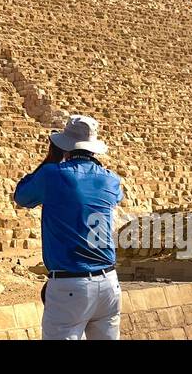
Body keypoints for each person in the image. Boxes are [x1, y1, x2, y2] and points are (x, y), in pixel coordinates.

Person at [13, 114, 124, 340]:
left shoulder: (52, 175)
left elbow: (21, 197)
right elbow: (112, 197)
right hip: (109, 284)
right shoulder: (110, 179)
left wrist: (50, 159)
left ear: (64, 146)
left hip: (70, 285)